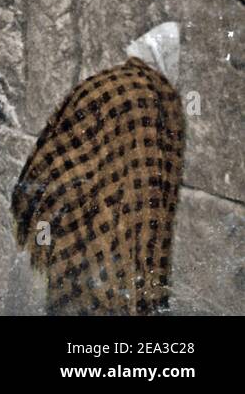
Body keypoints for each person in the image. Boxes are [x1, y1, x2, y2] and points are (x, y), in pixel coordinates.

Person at [11, 22, 185, 316]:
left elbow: (56, 157)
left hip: (85, 236)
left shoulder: (102, 86)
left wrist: (37, 208)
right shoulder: (169, 106)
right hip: (140, 244)